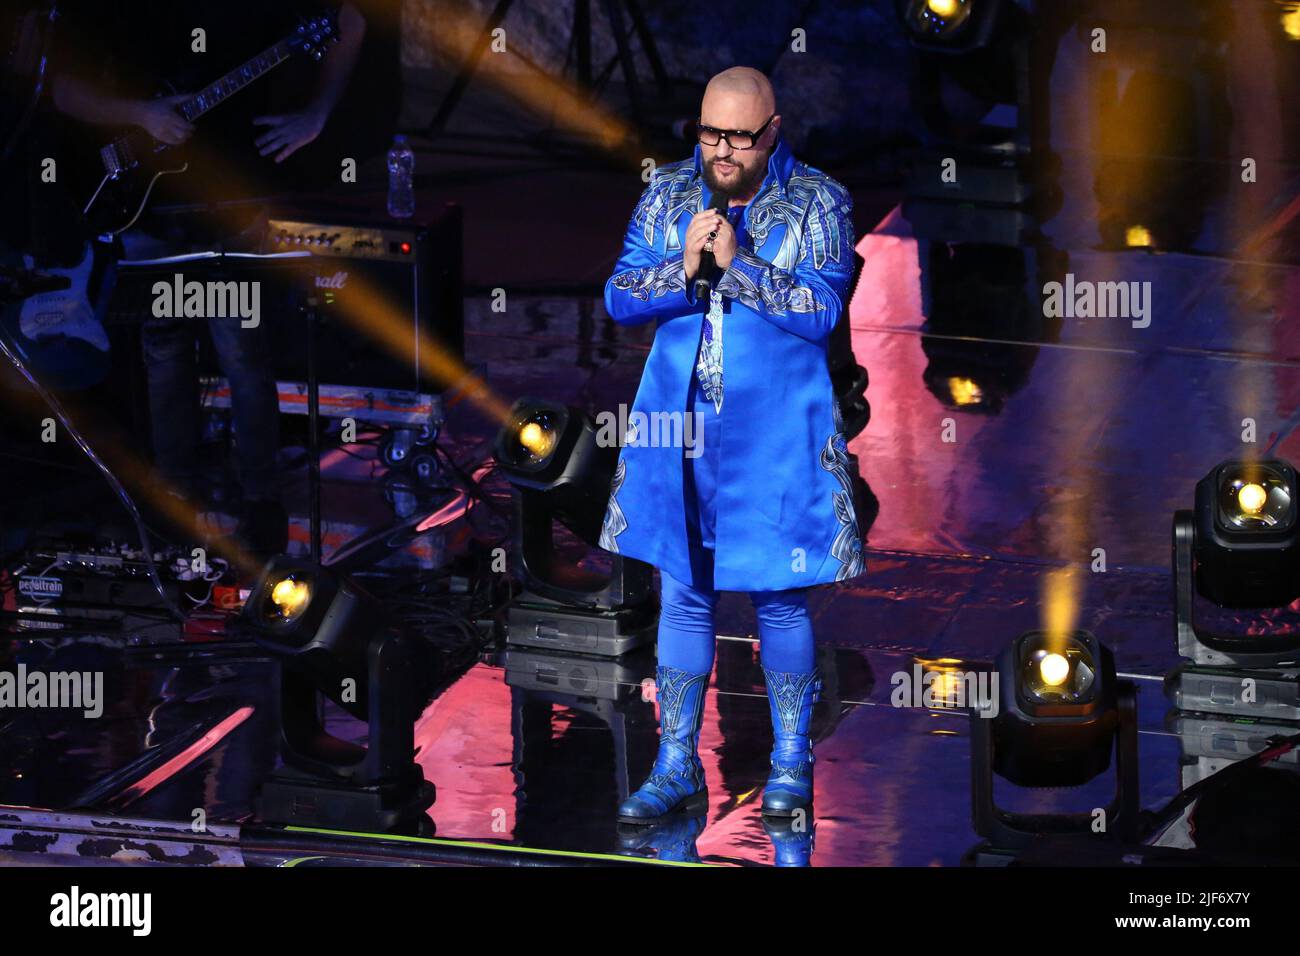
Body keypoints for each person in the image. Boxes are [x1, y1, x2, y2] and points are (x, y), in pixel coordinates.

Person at [599, 66, 867, 823]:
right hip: (678, 431)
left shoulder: (819, 199)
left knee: (780, 602)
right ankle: (675, 762)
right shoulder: (668, 193)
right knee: (682, 594)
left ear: (773, 131)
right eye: (710, 133)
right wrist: (682, 270)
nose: (721, 151)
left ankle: (790, 763)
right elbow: (619, 296)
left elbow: (821, 310)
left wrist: (739, 267)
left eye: (739, 138)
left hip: (776, 436)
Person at [49, 0, 369, 559]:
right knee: (164, 347)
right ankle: (177, 497)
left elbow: (348, 21)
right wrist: (141, 114)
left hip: (231, 199)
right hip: (145, 204)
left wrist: (317, 113)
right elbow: (62, 89)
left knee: (240, 347)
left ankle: (261, 503)